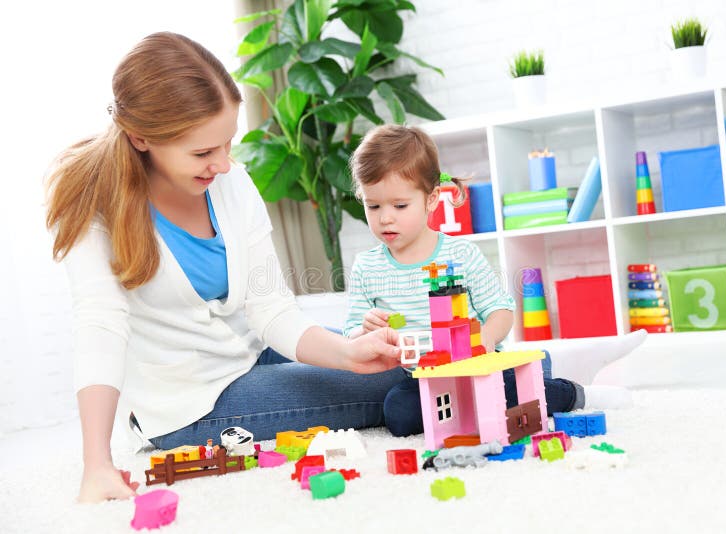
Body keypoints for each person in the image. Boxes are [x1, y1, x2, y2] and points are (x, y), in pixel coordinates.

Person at [45, 32, 407, 504]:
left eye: (226, 144)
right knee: (401, 380)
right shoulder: (94, 207)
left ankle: (507, 367)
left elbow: (271, 308)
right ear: (141, 138)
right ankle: (515, 378)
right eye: (202, 153)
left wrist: (345, 352)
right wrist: (97, 465)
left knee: (407, 354)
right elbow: (100, 329)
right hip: (194, 403)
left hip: (255, 355)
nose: (223, 163)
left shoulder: (229, 181)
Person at [344, 124, 644, 437]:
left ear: (431, 199)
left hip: (479, 368)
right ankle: (476, 409)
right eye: (373, 205)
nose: (385, 218)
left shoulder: (460, 253)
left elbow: (501, 310)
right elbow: (352, 334)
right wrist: (364, 331)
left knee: (512, 391)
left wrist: (486, 338)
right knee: (398, 414)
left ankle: (576, 394)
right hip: (421, 378)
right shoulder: (367, 267)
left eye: (399, 205)